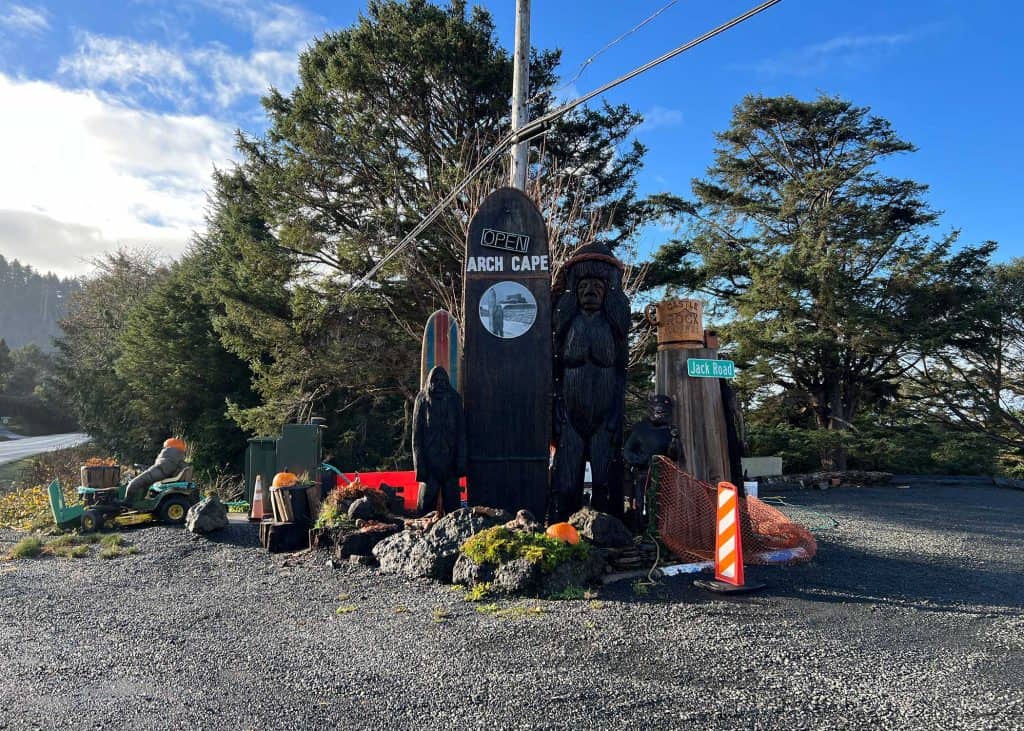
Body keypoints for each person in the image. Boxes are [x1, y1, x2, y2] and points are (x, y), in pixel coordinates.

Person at [413, 366, 467, 515]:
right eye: (435, 380)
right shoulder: (422, 400)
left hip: (450, 467)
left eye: (443, 381)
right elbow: (416, 438)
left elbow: (461, 434)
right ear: (429, 381)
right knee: (424, 509)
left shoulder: (455, 400)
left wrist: (461, 462)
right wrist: (419, 467)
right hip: (429, 467)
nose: (439, 384)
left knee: (454, 512)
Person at [124, 437, 187, 503]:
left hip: (159, 473)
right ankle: (140, 501)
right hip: (161, 473)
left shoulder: (168, 457)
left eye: (165, 447)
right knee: (144, 484)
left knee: (133, 483)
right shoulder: (176, 456)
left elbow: (159, 468)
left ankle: (127, 502)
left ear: (168, 446)